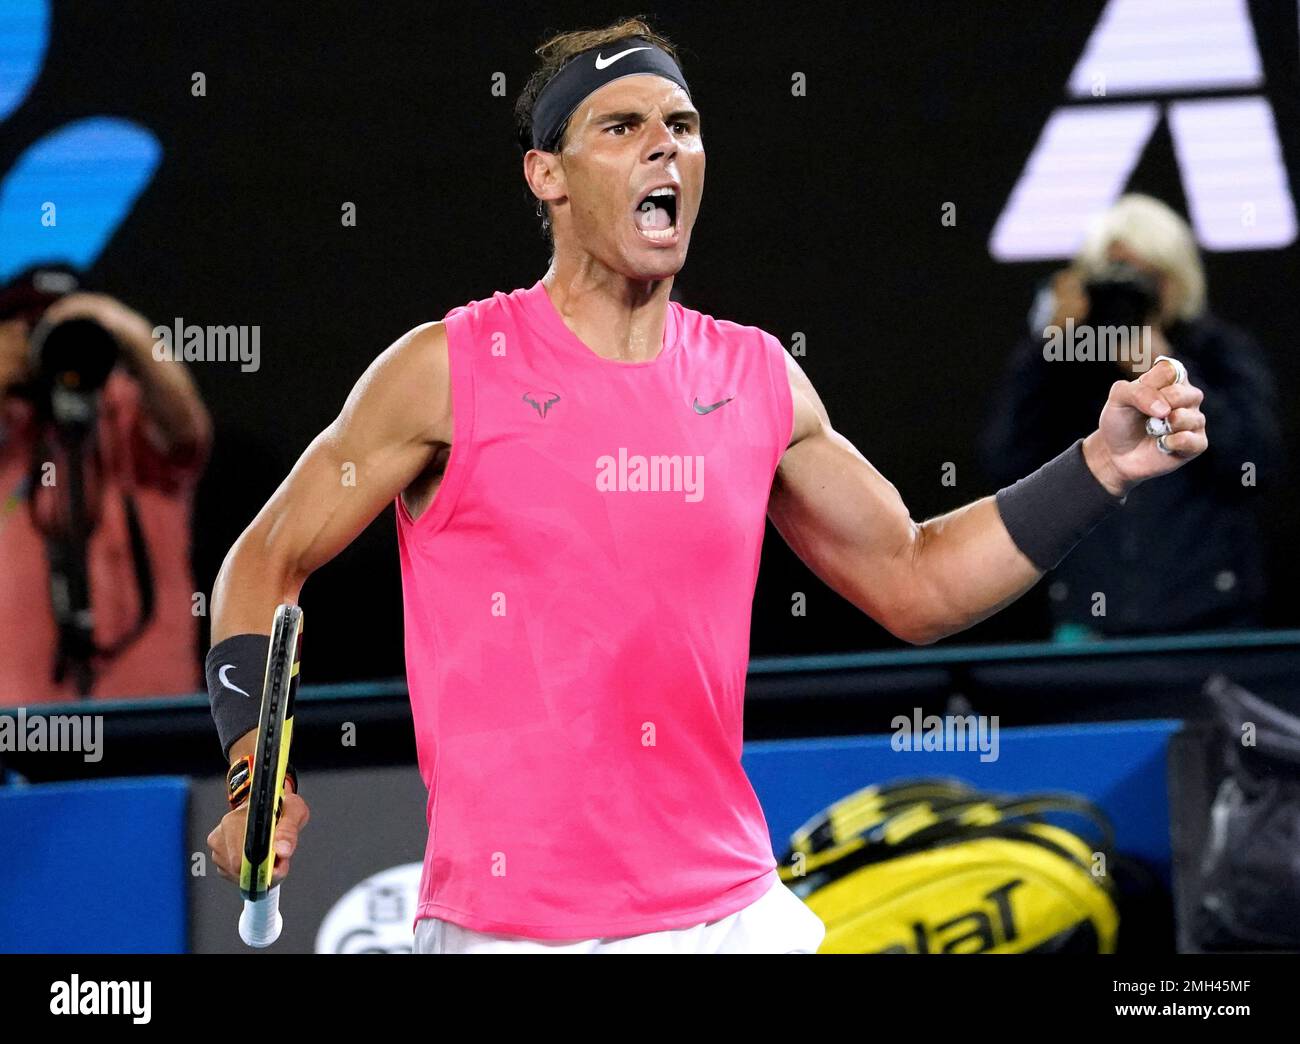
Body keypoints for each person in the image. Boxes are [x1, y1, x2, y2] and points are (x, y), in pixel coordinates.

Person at [204, 20, 1208, 954]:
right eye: (622, 125)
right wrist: (257, 765)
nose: (663, 147)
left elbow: (917, 583)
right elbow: (268, 558)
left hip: (730, 915)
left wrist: (1097, 467)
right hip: (511, 928)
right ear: (544, 174)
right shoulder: (445, 371)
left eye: (680, 125)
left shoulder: (758, 380)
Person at [980, 194, 1280, 639]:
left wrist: (1168, 368)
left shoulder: (1218, 353)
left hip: (1211, 624)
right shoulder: (1065, 366)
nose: (1128, 292)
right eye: (1114, 277)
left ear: (1177, 279)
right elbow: (1004, 469)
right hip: (1088, 629)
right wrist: (1050, 346)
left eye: (1145, 277)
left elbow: (1255, 468)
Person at [0, 265, 211, 702]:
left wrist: (125, 330)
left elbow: (188, 433)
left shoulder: (132, 412)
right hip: (18, 724)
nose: (47, 343)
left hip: (151, 714)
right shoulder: (10, 428)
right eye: (29, 328)